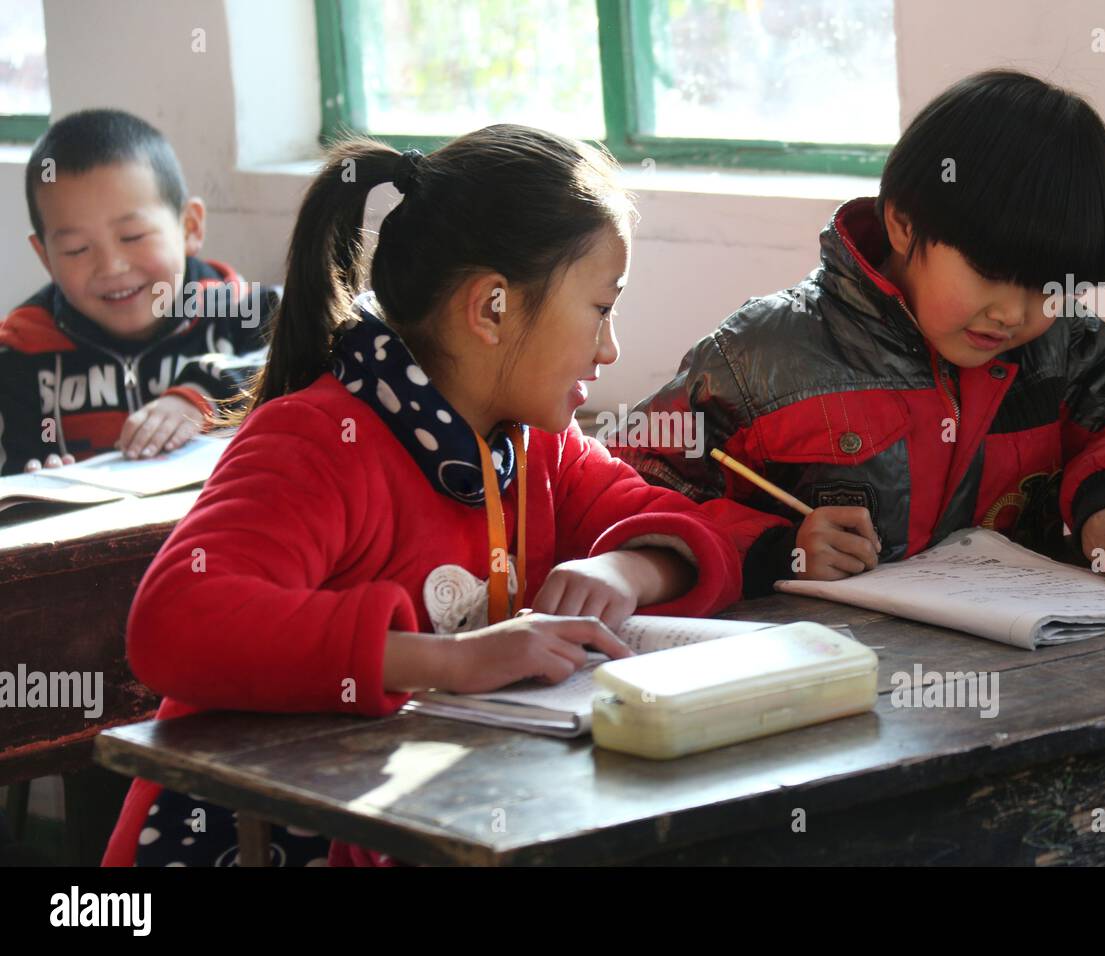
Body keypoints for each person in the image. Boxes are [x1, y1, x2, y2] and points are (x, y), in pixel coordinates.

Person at [102, 126, 779, 867]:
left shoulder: (531, 442)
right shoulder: (318, 441)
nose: (609, 348)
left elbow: (683, 526)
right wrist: (448, 661)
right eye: (599, 308)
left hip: (438, 817)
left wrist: (632, 569)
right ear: (490, 308)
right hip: (256, 838)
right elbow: (174, 623)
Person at [615, 70, 1105, 595]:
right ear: (905, 224)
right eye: (991, 275)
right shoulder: (759, 359)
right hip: (816, 689)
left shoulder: (1065, 351)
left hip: (1029, 675)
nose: (1014, 315)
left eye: (1051, 289)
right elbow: (630, 486)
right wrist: (774, 550)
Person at [0, 109, 273, 474]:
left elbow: (307, 361)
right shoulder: (22, 352)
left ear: (189, 227)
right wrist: (31, 492)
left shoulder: (243, 312)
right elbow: (12, 473)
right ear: (46, 257)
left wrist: (202, 392)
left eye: (133, 237)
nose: (112, 266)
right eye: (77, 249)